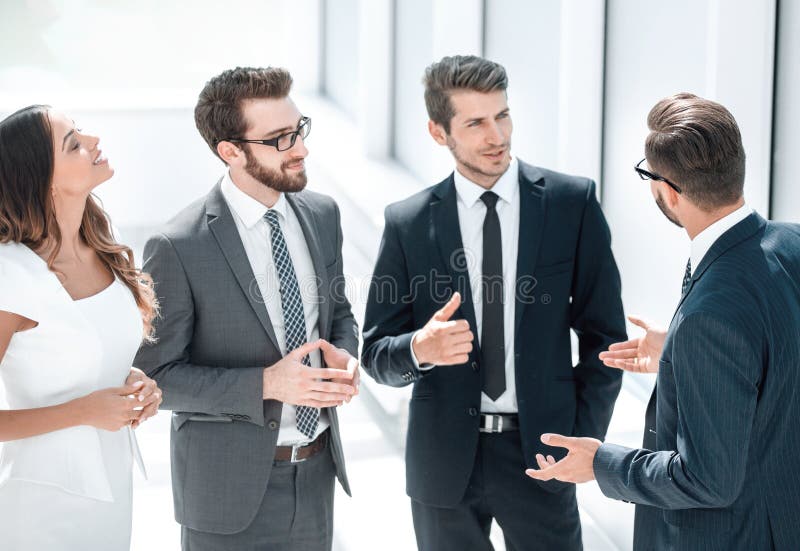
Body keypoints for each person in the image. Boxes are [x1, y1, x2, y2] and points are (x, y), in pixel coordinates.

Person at [361, 55, 626, 550]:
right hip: (442, 464)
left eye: (502, 115)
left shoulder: (572, 204)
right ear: (439, 133)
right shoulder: (409, 223)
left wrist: (582, 439)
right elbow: (375, 354)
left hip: (545, 455)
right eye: (476, 122)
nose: (497, 135)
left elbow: (605, 338)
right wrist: (420, 347)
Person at [526, 93, 800, 550]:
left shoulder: (707, 318)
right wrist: (677, 355)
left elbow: (707, 479)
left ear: (668, 191)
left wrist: (601, 463)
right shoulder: (791, 244)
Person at [133, 67, 360, 551]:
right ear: (231, 152)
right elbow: (156, 378)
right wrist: (266, 384)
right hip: (225, 496)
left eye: (299, 129)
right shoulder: (177, 245)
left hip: (317, 477)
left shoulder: (322, 214)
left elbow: (338, 316)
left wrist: (345, 355)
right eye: (279, 139)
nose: (300, 148)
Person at [0, 105, 162, 550]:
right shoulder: (11, 274)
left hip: (112, 494)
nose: (92, 141)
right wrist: (83, 412)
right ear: (44, 181)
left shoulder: (100, 247)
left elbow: (94, 358)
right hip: (41, 510)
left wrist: (136, 384)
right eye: (73, 143)